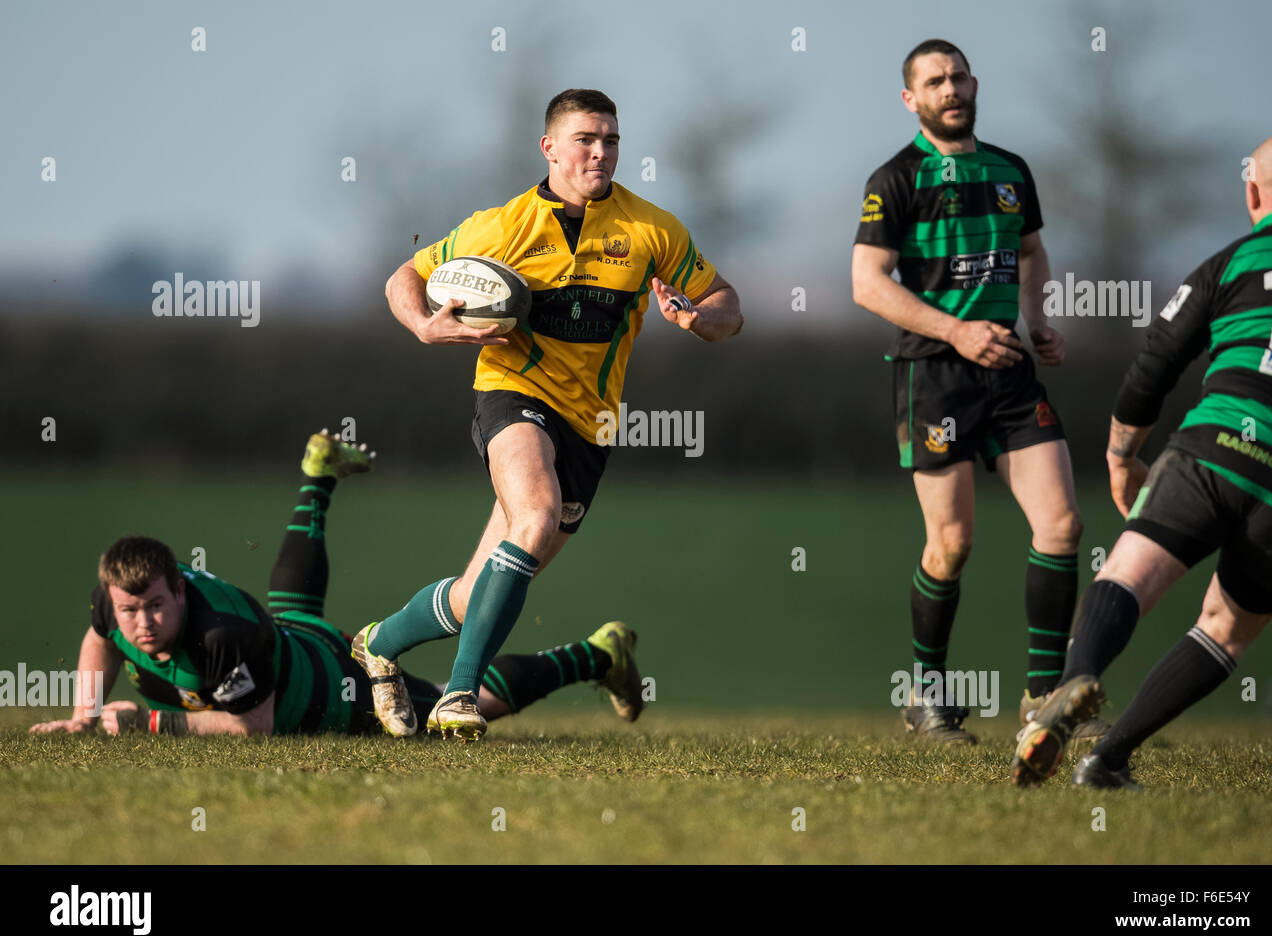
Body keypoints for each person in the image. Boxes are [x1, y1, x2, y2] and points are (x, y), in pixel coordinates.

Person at [357, 87, 743, 741]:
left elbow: (729, 306)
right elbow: (406, 276)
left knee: (477, 588)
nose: (600, 151)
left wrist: (699, 317)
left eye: (611, 140)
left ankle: (378, 640)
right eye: (586, 139)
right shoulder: (502, 226)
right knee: (534, 515)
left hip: (590, 427)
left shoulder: (653, 229)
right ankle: (458, 695)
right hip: (513, 394)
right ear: (550, 148)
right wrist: (424, 325)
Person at [1012, 132, 1272, 789]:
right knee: (1225, 631)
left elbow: (1156, 363)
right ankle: (1108, 760)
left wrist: (1121, 454)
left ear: (1253, 192)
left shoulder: (1235, 260)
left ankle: (1076, 679)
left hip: (1215, 446)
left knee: (1130, 573)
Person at [29, 432, 641, 737]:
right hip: (288, 642)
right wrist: (85, 712)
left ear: (181, 593)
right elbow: (98, 637)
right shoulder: (117, 597)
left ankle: (596, 653)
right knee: (290, 610)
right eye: (129, 611)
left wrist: (150, 723)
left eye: (155, 607)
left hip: (332, 685)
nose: (140, 623)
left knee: (472, 708)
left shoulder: (222, 636)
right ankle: (318, 475)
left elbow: (253, 728)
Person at [851, 39, 1097, 743]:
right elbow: (868, 283)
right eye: (934, 81)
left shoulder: (1010, 170)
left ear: (975, 83)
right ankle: (926, 693)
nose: (950, 88)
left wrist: (1038, 319)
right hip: (935, 376)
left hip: (1011, 371)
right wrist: (957, 333)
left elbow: (1031, 250)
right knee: (952, 542)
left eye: (958, 76)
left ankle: (1044, 701)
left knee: (1063, 525)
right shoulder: (894, 178)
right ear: (911, 99)